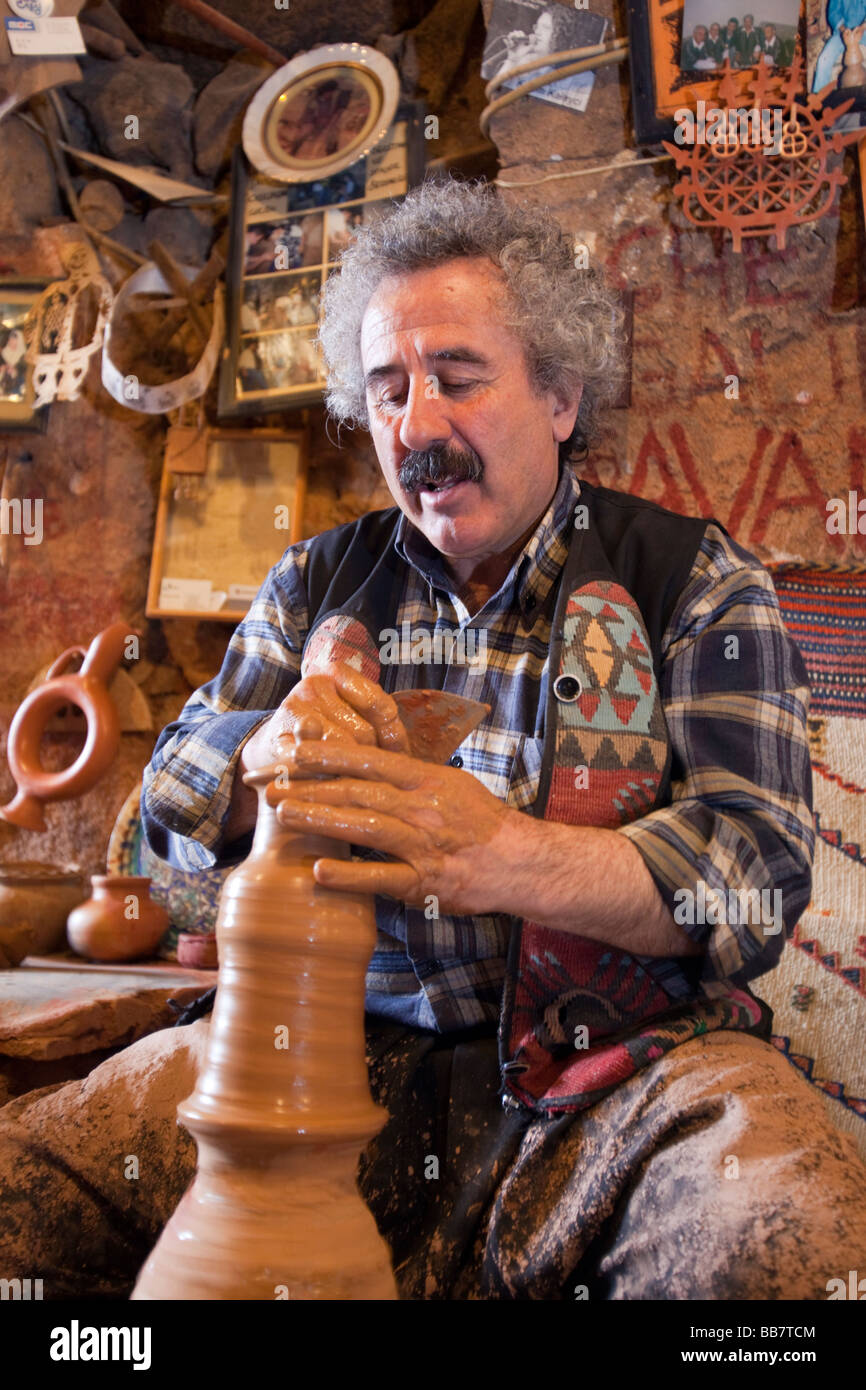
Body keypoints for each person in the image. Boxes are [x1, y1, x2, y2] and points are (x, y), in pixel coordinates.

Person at [2, 178, 865, 1301]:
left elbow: (754, 879)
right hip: (316, 1061)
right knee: (24, 1190)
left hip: (613, 1078)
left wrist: (506, 857)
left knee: (794, 1253)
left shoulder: (691, 581)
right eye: (387, 391)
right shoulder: (317, 581)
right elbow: (167, 825)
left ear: (557, 395)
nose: (415, 428)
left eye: (457, 380)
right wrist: (275, 756)